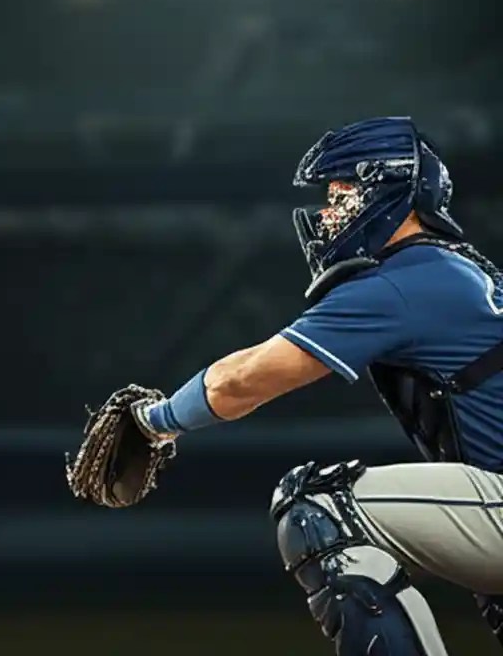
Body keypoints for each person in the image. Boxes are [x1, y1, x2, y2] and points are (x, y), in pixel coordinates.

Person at [130, 117, 502, 655]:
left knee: (317, 506)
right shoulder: (454, 270)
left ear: (388, 191)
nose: (328, 212)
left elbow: (242, 381)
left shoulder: (404, 280)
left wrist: (153, 421)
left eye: (342, 191)